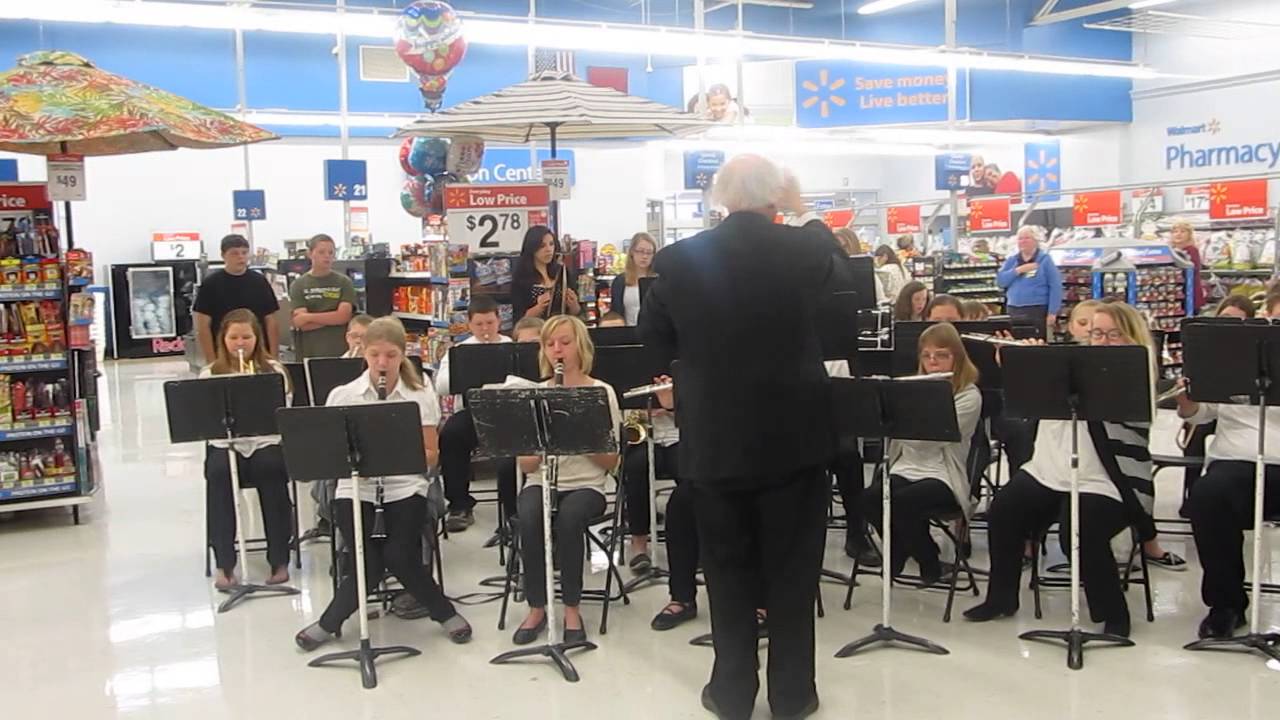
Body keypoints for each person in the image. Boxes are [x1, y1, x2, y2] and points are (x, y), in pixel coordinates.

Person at [640, 154, 840, 720]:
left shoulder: (680, 259)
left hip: (715, 438)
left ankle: (731, 693)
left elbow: (651, 336)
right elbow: (848, 295)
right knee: (793, 572)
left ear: (720, 198)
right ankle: (792, 694)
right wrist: (805, 211)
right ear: (777, 196)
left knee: (726, 572)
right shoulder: (806, 247)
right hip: (795, 437)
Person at [964, 303, 1157, 638]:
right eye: (1097, 333)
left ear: (1131, 337)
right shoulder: (1068, 366)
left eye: (1113, 334)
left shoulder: (1136, 373)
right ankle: (1001, 598)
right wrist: (1025, 368)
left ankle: (1113, 613)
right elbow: (1024, 410)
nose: (1103, 341)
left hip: (1107, 481)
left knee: (1079, 530)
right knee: (1004, 510)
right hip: (1049, 471)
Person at [295, 317, 472, 650]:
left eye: (391, 355)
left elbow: (432, 455)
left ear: (402, 355)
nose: (382, 363)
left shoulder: (419, 394)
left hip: (404, 487)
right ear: (363, 352)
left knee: (397, 554)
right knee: (367, 558)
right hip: (355, 488)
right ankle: (444, 612)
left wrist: (399, 451)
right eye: (375, 354)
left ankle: (328, 623)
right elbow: (328, 456)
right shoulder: (343, 395)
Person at [511, 315, 622, 646]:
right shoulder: (535, 394)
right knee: (530, 516)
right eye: (550, 344)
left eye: (565, 342)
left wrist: (579, 432)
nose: (557, 350)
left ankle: (571, 607)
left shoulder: (602, 392)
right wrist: (546, 441)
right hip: (542, 482)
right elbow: (526, 465)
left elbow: (611, 462)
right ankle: (536, 606)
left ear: (580, 347)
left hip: (588, 485)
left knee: (571, 519)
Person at [865, 323, 981, 586]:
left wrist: (901, 420)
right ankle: (901, 549)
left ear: (957, 357)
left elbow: (931, 441)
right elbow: (905, 442)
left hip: (943, 474)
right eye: (927, 356)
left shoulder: (969, 396)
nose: (933, 362)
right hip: (905, 467)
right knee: (871, 499)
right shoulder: (912, 389)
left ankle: (929, 561)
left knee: (904, 504)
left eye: (941, 355)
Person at [1177, 349, 1280, 638]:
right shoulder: (1232, 361)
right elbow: (1200, 413)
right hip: (1234, 461)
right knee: (1208, 496)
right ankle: (1226, 605)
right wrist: (1187, 401)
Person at [200, 309, 293, 590]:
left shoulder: (274, 371)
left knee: (272, 470)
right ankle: (225, 564)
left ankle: (279, 559)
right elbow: (202, 420)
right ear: (223, 339)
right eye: (234, 337)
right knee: (218, 475)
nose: (240, 343)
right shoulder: (210, 373)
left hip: (264, 441)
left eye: (246, 337)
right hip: (226, 444)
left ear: (257, 338)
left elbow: (283, 414)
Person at [437, 296, 515, 532]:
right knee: (451, 435)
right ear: (469, 324)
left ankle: (513, 509)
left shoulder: (512, 346)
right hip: (474, 411)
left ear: (499, 321)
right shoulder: (460, 351)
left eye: (490, 323)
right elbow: (441, 386)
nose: (485, 329)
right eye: (479, 324)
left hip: (508, 411)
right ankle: (459, 504)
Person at [193, 234, 280, 363]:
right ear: (223, 255)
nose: (241, 257)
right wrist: (211, 360)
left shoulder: (259, 282)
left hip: (258, 351)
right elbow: (203, 325)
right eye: (234, 253)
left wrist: (273, 356)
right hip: (223, 353)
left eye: (244, 253)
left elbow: (271, 321)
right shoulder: (211, 284)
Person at [289, 234, 357, 359]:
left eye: (331, 252)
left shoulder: (344, 282)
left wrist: (308, 316)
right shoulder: (298, 285)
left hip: (340, 350)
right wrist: (332, 318)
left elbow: (343, 316)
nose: (327, 256)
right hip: (310, 351)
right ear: (310, 254)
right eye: (321, 252)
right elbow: (302, 323)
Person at [996, 225, 1062, 340]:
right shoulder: (1012, 260)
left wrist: (1052, 312)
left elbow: (1055, 286)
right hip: (1014, 309)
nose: (1023, 241)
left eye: (1027, 238)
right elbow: (1001, 282)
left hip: (1037, 310)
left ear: (1035, 241)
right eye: (1020, 238)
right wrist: (1018, 270)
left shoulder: (1045, 260)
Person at [511, 225, 580, 321]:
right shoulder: (521, 279)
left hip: (561, 327)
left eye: (551, 244)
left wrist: (573, 304)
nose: (548, 249)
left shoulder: (562, 272)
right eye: (542, 246)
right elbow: (519, 319)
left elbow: (576, 312)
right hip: (536, 330)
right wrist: (538, 308)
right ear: (532, 248)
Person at [610, 232, 658, 327]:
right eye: (640, 251)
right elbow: (616, 311)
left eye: (649, 252)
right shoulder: (620, 281)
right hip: (628, 332)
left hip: (654, 333)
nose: (644, 256)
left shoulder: (659, 280)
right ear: (632, 252)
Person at [1169, 220, 1206, 313]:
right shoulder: (1169, 250)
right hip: (1174, 293)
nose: (1178, 234)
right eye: (1175, 231)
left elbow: (1193, 270)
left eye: (1182, 231)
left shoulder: (1192, 250)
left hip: (1190, 293)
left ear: (1189, 234)